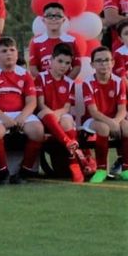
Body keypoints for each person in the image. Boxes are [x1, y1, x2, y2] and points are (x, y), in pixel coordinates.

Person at [0, 37, 45, 184]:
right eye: (4, 51)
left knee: (37, 130)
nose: (9, 54)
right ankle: (3, 172)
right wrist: (4, 119)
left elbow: (31, 101)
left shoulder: (24, 74)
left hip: (20, 113)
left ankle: (24, 171)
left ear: (17, 54)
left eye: (12, 50)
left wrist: (22, 117)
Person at [34, 43, 90, 182]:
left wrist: (55, 115)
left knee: (66, 119)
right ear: (51, 60)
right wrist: (52, 115)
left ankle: (73, 161)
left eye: (67, 63)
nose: (63, 66)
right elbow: (40, 105)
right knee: (47, 114)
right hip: (42, 119)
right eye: (60, 61)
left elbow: (66, 108)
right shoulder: (40, 78)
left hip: (59, 118)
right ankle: (71, 147)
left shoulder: (69, 82)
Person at [81, 46, 128, 183]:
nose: (104, 63)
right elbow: (93, 112)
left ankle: (126, 169)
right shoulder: (88, 82)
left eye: (107, 60)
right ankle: (101, 170)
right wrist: (112, 123)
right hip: (92, 120)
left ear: (113, 63)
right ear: (92, 64)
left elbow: (122, 109)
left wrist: (116, 121)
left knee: (126, 126)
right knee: (103, 128)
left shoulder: (119, 82)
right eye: (99, 60)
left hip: (114, 119)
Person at [29, 2, 79, 79]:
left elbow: (77, 66)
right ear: (43, 20)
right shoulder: (36, 42)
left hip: (65, 88)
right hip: (44, 88)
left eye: (58, 15)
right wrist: (44, 82)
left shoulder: (71, 40)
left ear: (63, 20)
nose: (53, 18)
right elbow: (33, 67)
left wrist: (66, 82)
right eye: (49, 16)